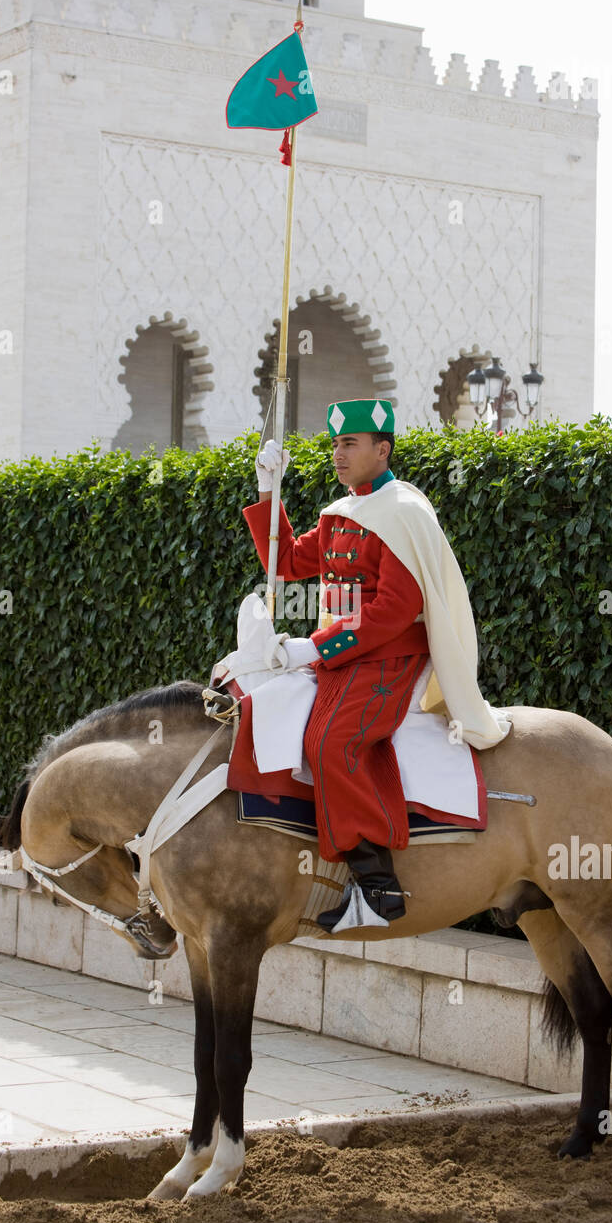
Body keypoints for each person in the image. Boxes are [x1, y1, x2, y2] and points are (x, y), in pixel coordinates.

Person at [243, 398, 510, 933]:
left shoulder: (403, 513)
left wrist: (317, 647)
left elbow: (393, 610)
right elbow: (287, 560)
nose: (337, 455)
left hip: (388, 657)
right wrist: (267, 491)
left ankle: (379, 888)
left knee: (334, 742)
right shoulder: (343, 512)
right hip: (346, 656)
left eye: (349, 444)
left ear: (381, 449)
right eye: (336, 444)